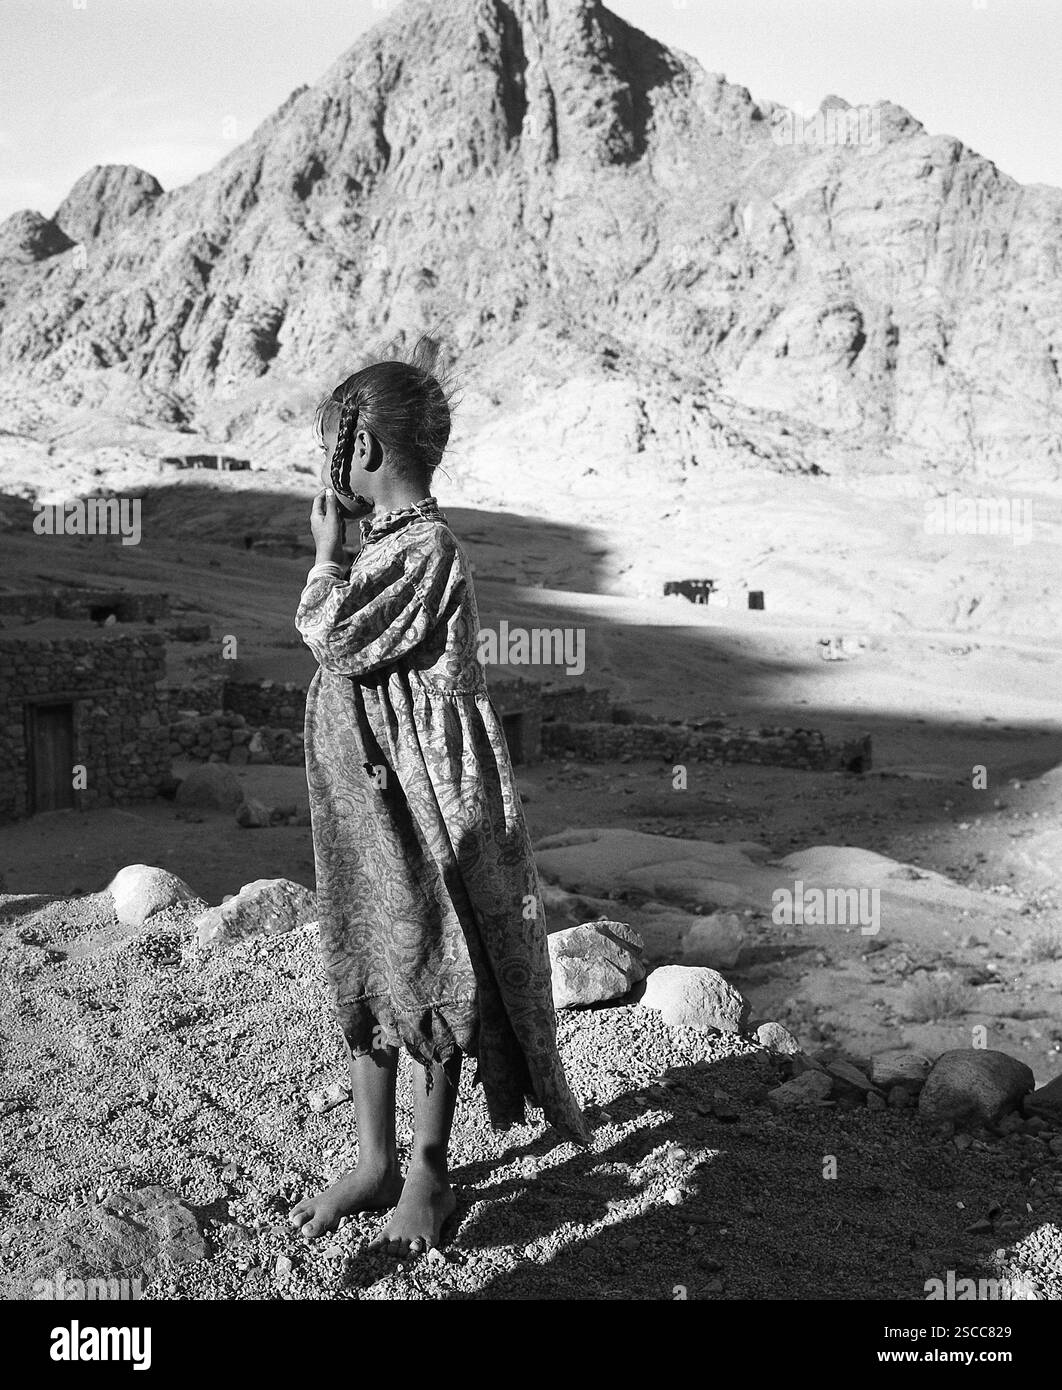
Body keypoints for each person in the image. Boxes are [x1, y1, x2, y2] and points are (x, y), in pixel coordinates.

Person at [288, 335, 589, 1258]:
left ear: (362, 452)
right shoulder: (396, 542)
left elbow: (331, 636)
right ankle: (374, 1157)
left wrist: (325, 555)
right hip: (368, 801)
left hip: (428, 799)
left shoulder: (427, 548)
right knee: (368, 955)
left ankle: (427, 1167)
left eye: (331, 447)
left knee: (435, 961)